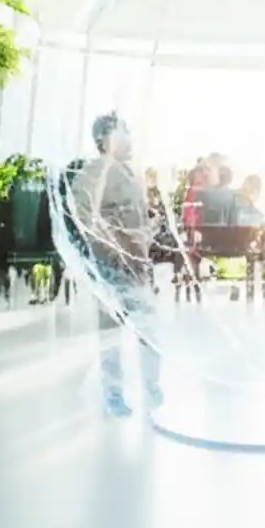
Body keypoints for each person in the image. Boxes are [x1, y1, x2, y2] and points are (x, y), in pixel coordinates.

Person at [71, 113, 162, 417]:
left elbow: (136, 216)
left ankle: (151, 386)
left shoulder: (128, 173)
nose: (130, 140)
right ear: (106, 140)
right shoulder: (92, 175)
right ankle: (113, 393)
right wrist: (123, 248)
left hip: (137, 263)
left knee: (147, 327)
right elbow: (90, 222)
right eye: (124, 133)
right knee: (111, 331)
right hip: (111, 265)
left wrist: (148, 233)